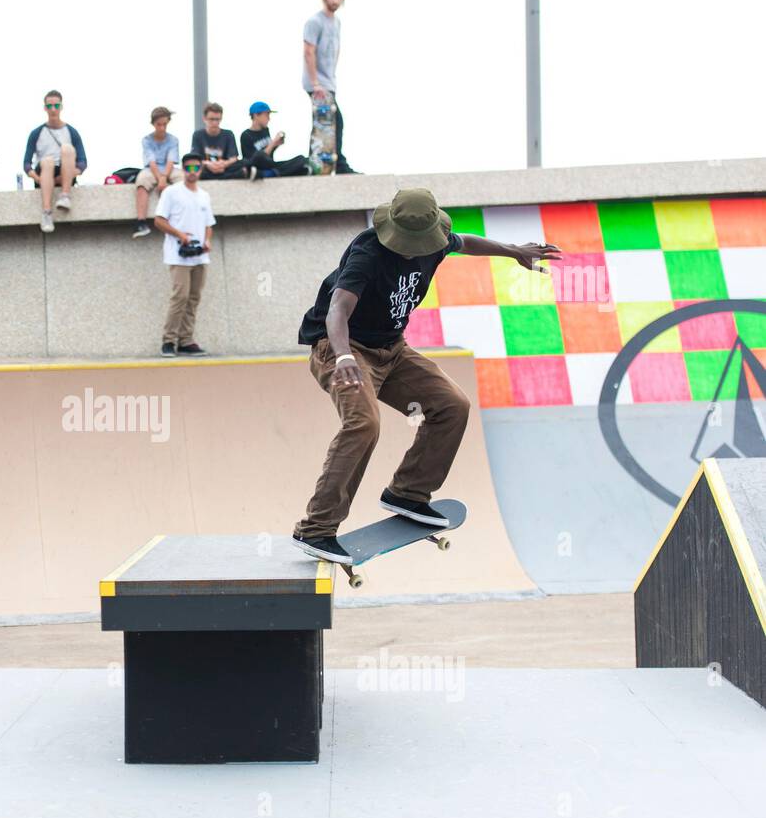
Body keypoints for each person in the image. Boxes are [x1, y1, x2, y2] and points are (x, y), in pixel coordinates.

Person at [291, 189, 560, 562]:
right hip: (342, 348)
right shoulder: (368, 253)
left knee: (452, 405)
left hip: (392, 349)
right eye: (405, 246)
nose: (412, 252)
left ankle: (408, 493)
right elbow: (338, 308)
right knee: (364, 423)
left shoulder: (437, 241)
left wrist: (514, 251)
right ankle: (317, 528)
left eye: (419, 246)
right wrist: (342, 357)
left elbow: (468, 242)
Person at [154, 153, 215, 359]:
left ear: (200, 169)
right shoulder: (172, 192)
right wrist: (180, 235)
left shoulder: (204, 195)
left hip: (200, 257)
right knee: (179, 297)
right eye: (188, 168)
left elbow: (209, 224)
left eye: (196, 168)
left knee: (194, 298)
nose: (192, 172)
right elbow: (159, 221)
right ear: (183, 170)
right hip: (178, 256)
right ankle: (168, 341)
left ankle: (186, 340)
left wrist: (207, 241)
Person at [302, 0, 358, 175]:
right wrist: (315, 82)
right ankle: (336, 163)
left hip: (329, 81)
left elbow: (337, 48)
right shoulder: (315, 22)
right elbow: (308, 51)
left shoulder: (336, 22)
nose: (335, 0)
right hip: (317, 83)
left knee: (324, 124)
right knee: (333, 121)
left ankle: (318, 162)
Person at [23, 90, 88, 234]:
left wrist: (68, 175)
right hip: (44, 172)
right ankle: (46, 212)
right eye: (50, 106)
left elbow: (83, 162)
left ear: (61, 107)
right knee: (47, 161)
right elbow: (26, 164)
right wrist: (38, 179)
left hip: (66, 172)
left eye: (56, 106)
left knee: (67, 149)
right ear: (45, 108)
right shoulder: (36, 133)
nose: (53, 109)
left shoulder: (72, 132)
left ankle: (65, 195)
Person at [132, 106, 180, 239]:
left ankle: (181, 217)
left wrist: (164, 178)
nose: (162, 128)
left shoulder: (173, 140)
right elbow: (151, 162)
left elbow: (171, 160)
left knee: (183, 180)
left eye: (165, 124)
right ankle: (141, 222)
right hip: (152, 169)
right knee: (142, 181)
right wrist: (160, 179)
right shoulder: (147, 140)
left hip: (169, 169)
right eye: (159, 124)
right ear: (153, 124)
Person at [239, 103, 311, 178]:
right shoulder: (246, 135)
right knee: (297, 167)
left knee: (302, 159)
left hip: (270, 165)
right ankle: (266, 173)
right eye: (267, 115)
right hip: (256, 167)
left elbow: (269, 154)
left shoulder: (265, 130)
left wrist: (276, 144)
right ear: (256, 115)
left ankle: (269, 173)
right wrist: (273, 143)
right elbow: (254, 159)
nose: (269, 119)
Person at [191, 103, 254, 181]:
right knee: (192, 165)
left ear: (221, 118)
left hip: (225, 168)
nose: (214, 123)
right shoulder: (198, 135)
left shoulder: (228, 134)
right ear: (205, 118)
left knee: (244, 162)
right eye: (211, 119)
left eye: (217, 119)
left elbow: (234, 158)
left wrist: (223, 164)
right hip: (207, 168)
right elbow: (195, 158)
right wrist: (208, 164)